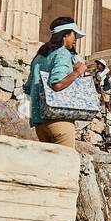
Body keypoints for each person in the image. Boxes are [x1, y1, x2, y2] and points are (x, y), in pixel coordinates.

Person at [24, 16, 89, 147]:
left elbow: (27, 88)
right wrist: (77, 72)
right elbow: (57, 83)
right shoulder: (63, 53)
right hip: (59, 121)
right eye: (73, 34)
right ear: (65, 35)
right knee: (67, 165)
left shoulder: (39, 57)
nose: (75, 39)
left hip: (40, 124)